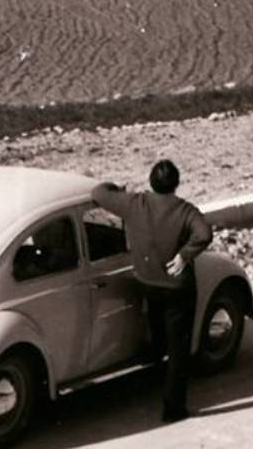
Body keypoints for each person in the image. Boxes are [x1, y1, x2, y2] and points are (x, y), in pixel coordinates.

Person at [91, 159, 213, 423]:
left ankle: (155, 374)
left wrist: (118, 187)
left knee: (157, 331)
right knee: (179, 348)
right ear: (177, 183)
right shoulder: (186, 210)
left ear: (151, 182)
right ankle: (173, 408)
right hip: (177, 287)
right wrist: (184, 255)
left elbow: (98, 193)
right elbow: (204, 233)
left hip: (147, 283)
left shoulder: (135, 203)